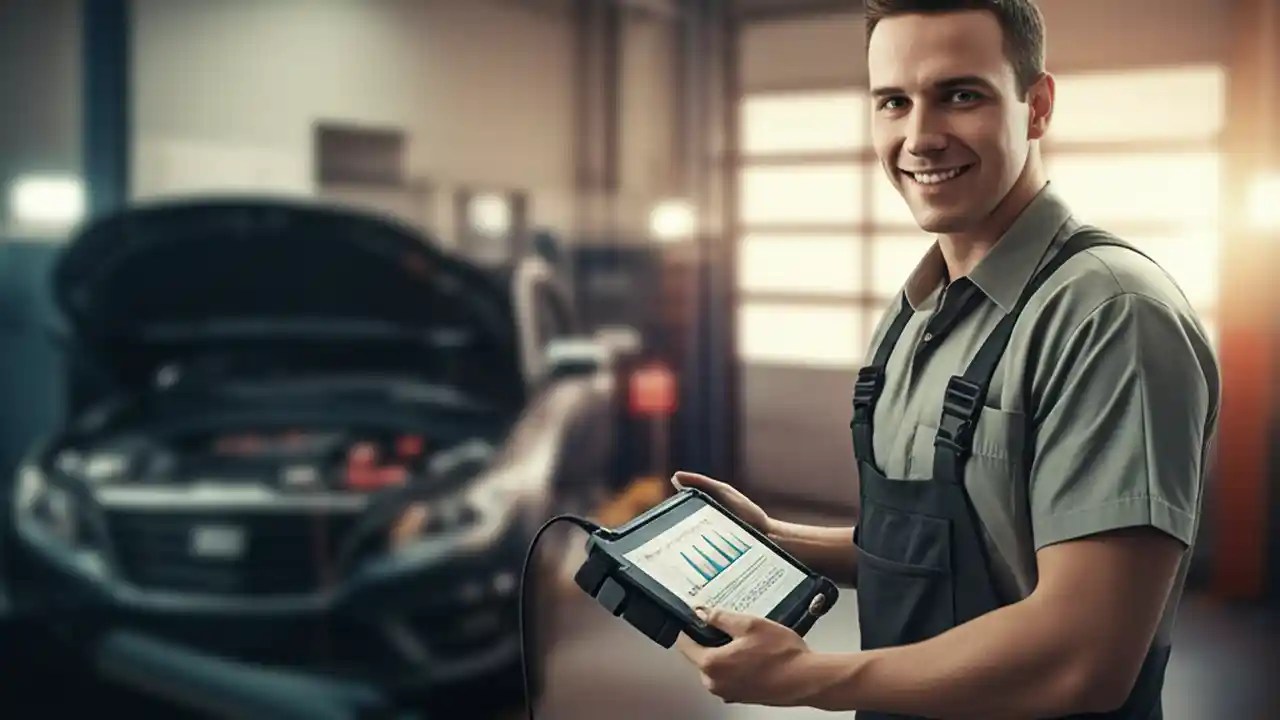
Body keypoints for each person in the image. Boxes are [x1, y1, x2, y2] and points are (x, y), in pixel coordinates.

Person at [671, 1, 1221, 718]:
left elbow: (1084, 656)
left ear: (1038, 106)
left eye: (960, 95)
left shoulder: (1111, 316)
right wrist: (778, 540)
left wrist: (808, 678)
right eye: (893, 102)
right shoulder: (918, 312)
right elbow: (949, 552)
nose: (920, 137)